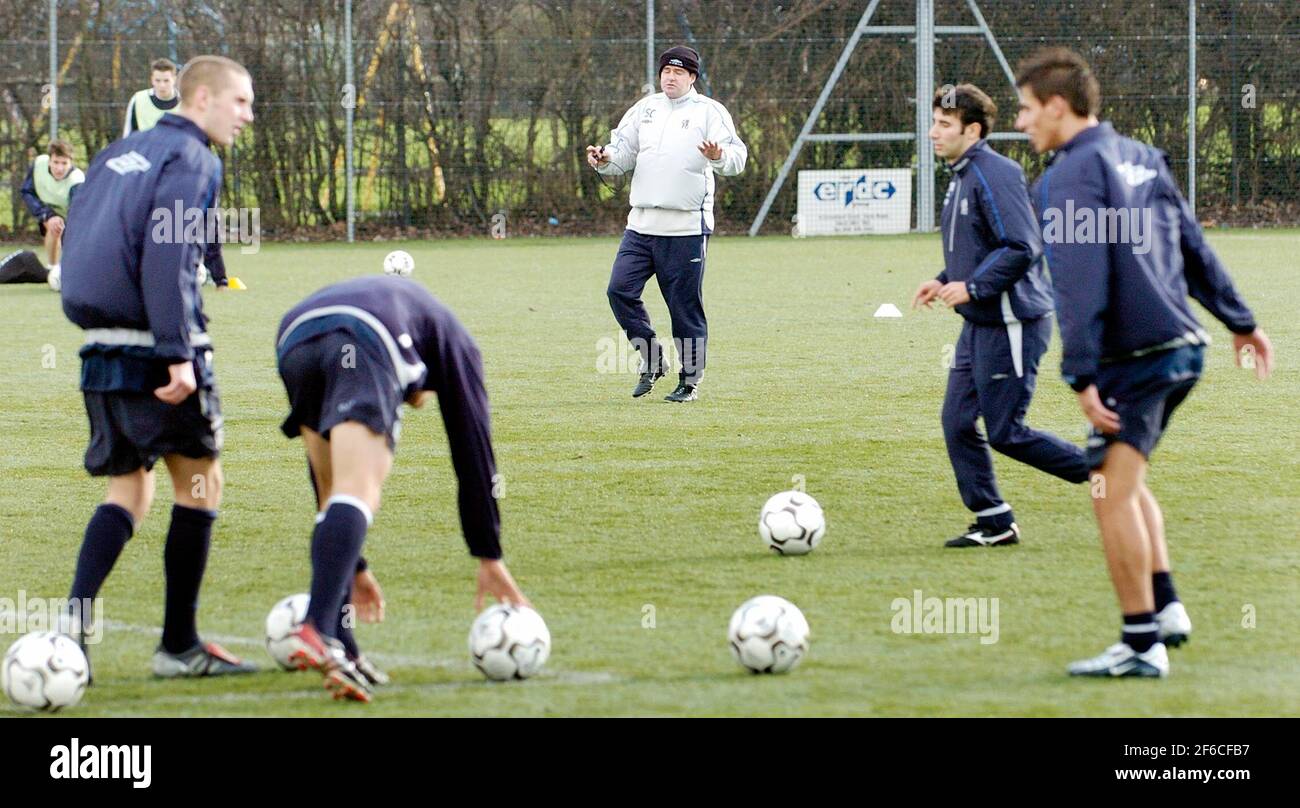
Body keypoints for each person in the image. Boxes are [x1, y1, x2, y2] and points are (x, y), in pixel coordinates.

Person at [1014, 47, 1273, 677]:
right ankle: (1168, 611)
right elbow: (1191, 244)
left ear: (1056, 106)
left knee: (1107, 492)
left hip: (1137, 358)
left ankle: (1139, 644)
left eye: (1025, 109)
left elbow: (1078, 279)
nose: (1021, 122)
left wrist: (1080, 374)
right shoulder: (1139, 155)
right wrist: (1241, 321)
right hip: (1183, 349)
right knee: (1126, 482)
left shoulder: (1069, 172)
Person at [58, 55, 256, 678]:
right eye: (241, 102)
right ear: (201, 98)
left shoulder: (117, 155)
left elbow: (82, 244)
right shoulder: (194, 158)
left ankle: (71, 631)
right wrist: (177, 351)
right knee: (200, 484)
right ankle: (178, 646)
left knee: (130, 488)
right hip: (156, 349)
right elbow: (169, 254)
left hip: (100, 351)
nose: (248, 116)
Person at [275, 275, 531, 702]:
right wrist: (488, 554)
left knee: (335, 491)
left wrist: (353, 566)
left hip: (296, 334)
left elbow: (326, 492)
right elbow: (473, 450)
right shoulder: (459, 348)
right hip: (364, 334)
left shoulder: (419, 321)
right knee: (359, 490)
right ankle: (317, 627)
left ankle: (340, 646)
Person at [913, 83, 1089, 548]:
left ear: (972, 130)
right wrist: (945, 277)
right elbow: (979, 246)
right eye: (934, 121)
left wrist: (971, 287)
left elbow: (1022, 247)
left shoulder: (996, 172)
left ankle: (1106, 469)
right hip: (980, 323)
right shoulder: (962, 175)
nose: (933, 132)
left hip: (1013, 320)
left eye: (944, 125)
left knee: (1007, 432)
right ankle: (994, 519)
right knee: (956, 421)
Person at [587, 45, 747, 402]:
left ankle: (689, 382)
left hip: (686, 229)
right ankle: (652, 358)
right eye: (665, 72)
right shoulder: (645, 109)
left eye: (678, 73)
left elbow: (738, 158)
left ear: (692, 77)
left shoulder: (710, 112)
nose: (670, 78)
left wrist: (719, 156)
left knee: (683, 307)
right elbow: (622, 151)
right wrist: (604, 159)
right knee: (619, 290)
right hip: (640, 226)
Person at [19, 139, 84, 268]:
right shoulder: (39, 165)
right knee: (54, 225)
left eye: (64, 163)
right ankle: (52, 268)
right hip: (47, 210)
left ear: (71, 163)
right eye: (55, 162)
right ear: (49, 160)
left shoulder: (77, 180)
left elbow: (77, 216)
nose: (59, 168)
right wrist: (45, 214)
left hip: (73, 217)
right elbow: (27, 191)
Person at [123, 58, 181, 138]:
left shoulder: (186, 102)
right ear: (152, 80)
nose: (162, 85)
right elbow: (128, 135)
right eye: (158, 80)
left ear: (174, 79)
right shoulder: (138, 100)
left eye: (166, 80)